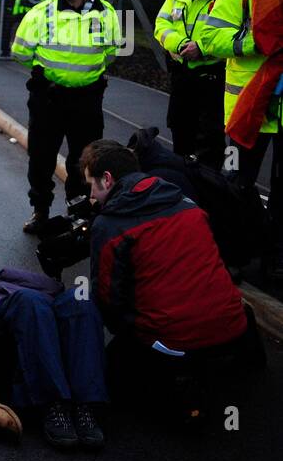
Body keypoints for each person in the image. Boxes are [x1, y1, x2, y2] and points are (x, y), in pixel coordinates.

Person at [82, 139, 262, 417]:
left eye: (91, 185)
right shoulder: (185, 202)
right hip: (230, 327)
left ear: (107, 179)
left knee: (113, 368)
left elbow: (109, 301)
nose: (91, 196)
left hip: (173, 342)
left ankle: (173, 384)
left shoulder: (109, 225)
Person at [13, 0, 120, 235]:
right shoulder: (41, 11)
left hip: (87, 100)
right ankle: (40, 211)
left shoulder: (109, 13)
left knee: (84, 160)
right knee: (41, 157)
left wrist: (83, 74)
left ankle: (80, 212)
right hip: (48, 99)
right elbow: (19, 51)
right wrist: (49, 75)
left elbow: (118, 51)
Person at [200, 0, 283, 276]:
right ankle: (231, 254)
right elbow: (209, 39)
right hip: (247, 111)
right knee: (236, 182)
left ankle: (275, 255)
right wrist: (255, 41)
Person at [0, 268, 107, 450]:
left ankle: (85, 404)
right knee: (29, 301)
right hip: (10, 329)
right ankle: (53, 404)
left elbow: (55, 286)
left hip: (48, 313)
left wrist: (5, 274)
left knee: (80, 297)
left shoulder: (6, 280)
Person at [156, 0, 231, 167]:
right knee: (181, 135)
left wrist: (203, 49)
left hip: (216, 77)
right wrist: (180, 45)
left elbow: (239, 32)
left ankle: (209, 194)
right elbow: (162, 25)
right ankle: (186, 193)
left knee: (211, 141)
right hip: (183, 77)